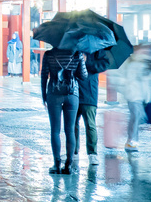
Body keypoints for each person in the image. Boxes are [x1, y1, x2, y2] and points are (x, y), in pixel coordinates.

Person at [109, 45, 151, 151]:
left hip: (145, 95)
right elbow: (115, 76)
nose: (145, 52)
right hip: (133, 94)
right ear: (136, 50)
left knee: (145, 117)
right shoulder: (127, 62)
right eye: (143, 50)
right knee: (135, 115)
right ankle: (131, 141)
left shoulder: (147, 62)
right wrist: (127, 85)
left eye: (147, 50)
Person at [41, 46, 88, 174]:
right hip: (72, 94)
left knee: (55, 131)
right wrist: (79, 62)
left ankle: (56, 164)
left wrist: (44, 96)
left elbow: (44, 75)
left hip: (53, 94)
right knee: (70, 130)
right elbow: (84, 76)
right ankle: (69, 165)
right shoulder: (77, 53)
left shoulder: (49, 54)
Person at [74, 48, 110, 166]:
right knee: (73, 124)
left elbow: (104, 64)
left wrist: (86, 62)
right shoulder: (74, 45)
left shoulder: (96, 48)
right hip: (73, 89)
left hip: (89, 91)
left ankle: (92, 153)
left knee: (90, 124)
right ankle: (74, 151)